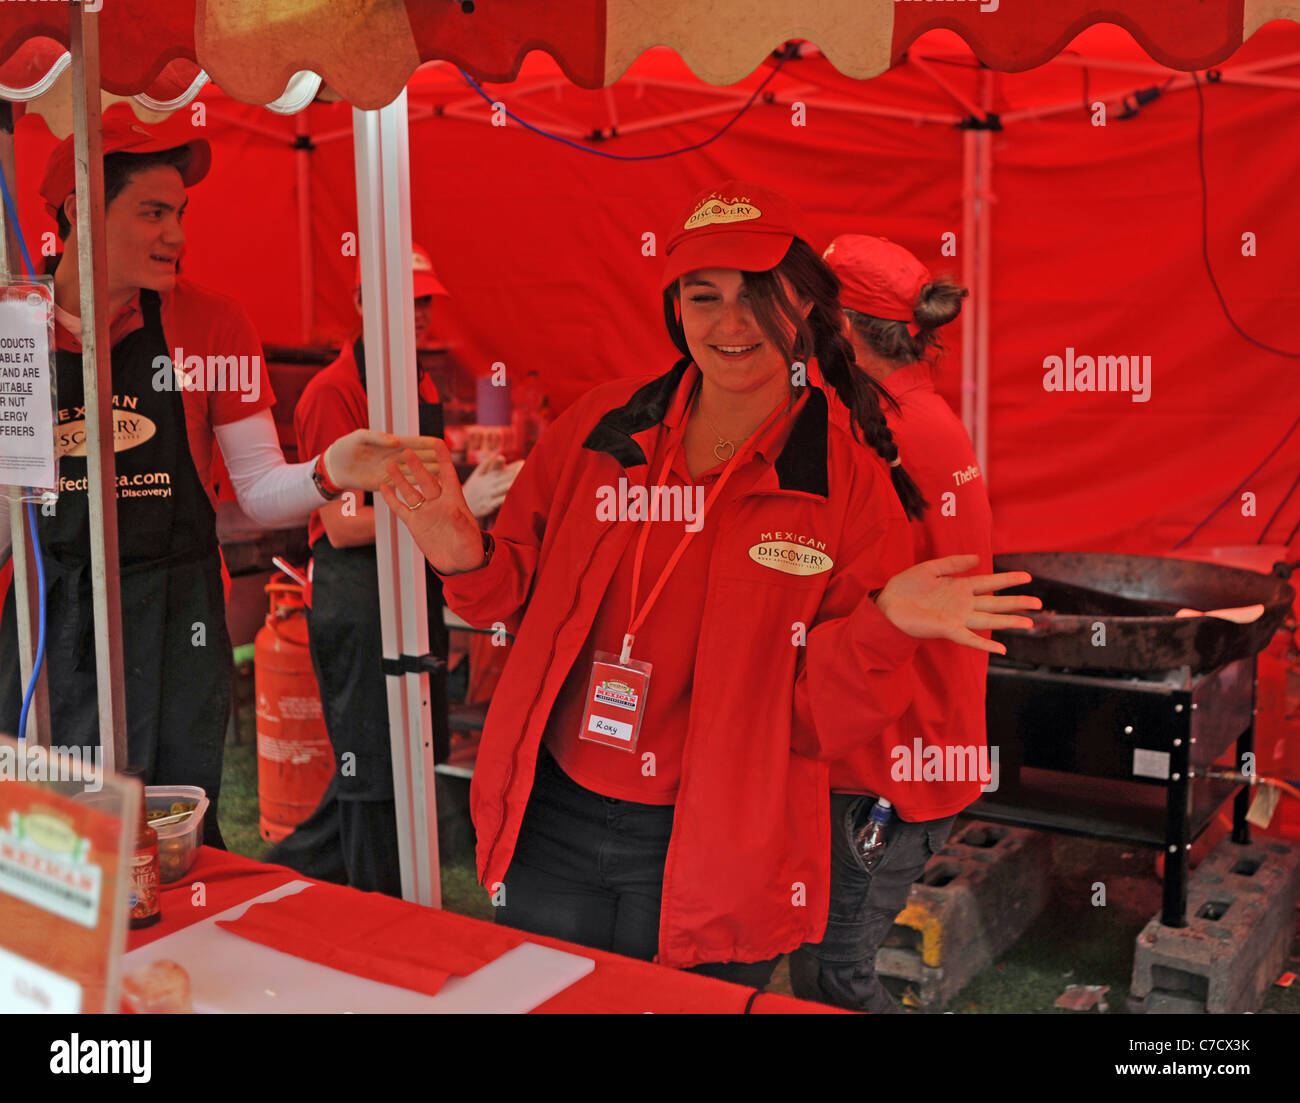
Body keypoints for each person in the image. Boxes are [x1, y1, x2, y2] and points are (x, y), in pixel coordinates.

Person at [379, 181, 1038, 982]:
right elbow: (507, 596)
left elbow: (816, 725)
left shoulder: (849, 483)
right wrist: (461, 551)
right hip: (552, 813)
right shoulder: (598, 427)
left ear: (804, 311)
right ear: (675, 307)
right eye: (704, 295)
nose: (731, 323)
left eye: (759, 296)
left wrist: (886, 625)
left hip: (714, 840)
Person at [0, 113, 439, 847]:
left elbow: (260, 487)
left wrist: (334, 470)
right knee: (54, 836)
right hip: (51, 612)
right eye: (153, 212)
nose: (176, 234)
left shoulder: (212, 324)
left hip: (177, 611)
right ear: (80, 206)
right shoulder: (15, 328)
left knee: (173, 830)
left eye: (180, 214)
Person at [262, 245, 520, 894]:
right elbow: (345, 525)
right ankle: (385, 914)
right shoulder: (334, 392)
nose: (419, 315)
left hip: (411, 590)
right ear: (360, 305)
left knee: (403, 756)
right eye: (404, 302)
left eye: (425, 301)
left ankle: (282, 880)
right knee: (373, 771)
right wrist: (458, 504)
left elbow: (416, 491)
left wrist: (464, 492)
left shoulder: (418, 382)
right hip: (358, 597)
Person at [791, 234, 994, 1011]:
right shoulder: (921, 415)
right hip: (907, 750)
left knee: (833, 977)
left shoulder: (885, 436)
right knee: (827, 968)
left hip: (883, 763)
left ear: (838, 330)